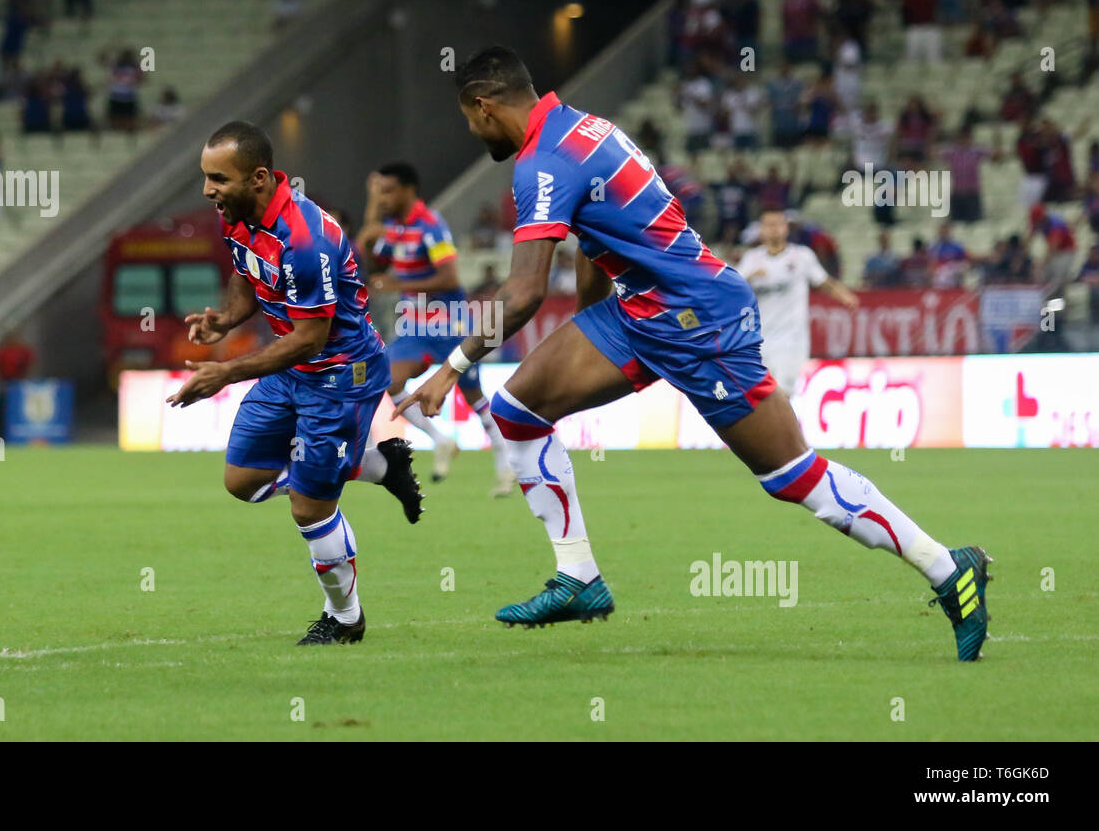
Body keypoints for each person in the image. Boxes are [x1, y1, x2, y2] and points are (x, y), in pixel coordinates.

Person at [396, 46, 992, 661]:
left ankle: (949, 569)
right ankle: (578, 577)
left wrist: (451, 369)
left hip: (698, 319)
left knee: (792, 477)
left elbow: (524, 291)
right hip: (639, 311)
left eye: (469, 119)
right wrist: (587, 326)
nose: (473, 132)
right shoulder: (582, 128)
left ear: (484, 106)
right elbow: (592, 240)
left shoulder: (543, 162)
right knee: (517, 412)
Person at [166, 122, 423, 646]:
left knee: (309, 507)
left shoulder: (305, 239)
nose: (208, 190)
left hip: (338, 375)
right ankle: (379, 465)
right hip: (291, 369)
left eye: (218, 178)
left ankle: (345, 619)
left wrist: (225, 373)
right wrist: (225, 320)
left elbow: (311, 338)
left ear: (258, 177)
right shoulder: (238, 214)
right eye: (206, 177)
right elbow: (246, 274)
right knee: (242, 481)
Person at [354, 162, 514, 495]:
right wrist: (371, 205)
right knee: (388, 379)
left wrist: (398, 283)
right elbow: (373, 260)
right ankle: (441, 439)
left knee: (473, 395)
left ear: (408, 190)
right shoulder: (395, 228)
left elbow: (450, 277)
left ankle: (505, 461)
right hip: (414, 326)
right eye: (380, 192)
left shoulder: (430, 226)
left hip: (449, 322)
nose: (384, 198)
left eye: (388, 191)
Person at [736, 209, 858, 393]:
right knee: (760, 396)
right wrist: (750, 277)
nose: (774, 229)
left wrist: (844, 296)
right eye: (769, 225)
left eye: (778, 224)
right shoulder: (751, 259)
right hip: (759, 340)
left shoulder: (802, 256)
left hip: (791, 340)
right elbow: (732, 289)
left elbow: (823, 281)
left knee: (783, 394)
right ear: (761, 230)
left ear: (786, 228)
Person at [0, 330, 35, 438]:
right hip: (6, 383)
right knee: (3, 410)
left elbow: (30, 365)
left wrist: (25, 379)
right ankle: (0, 436)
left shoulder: (23, 351)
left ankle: (21, 435)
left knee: (20, 409)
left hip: (20, 384)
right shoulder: (3, 352)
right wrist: (1, 382)